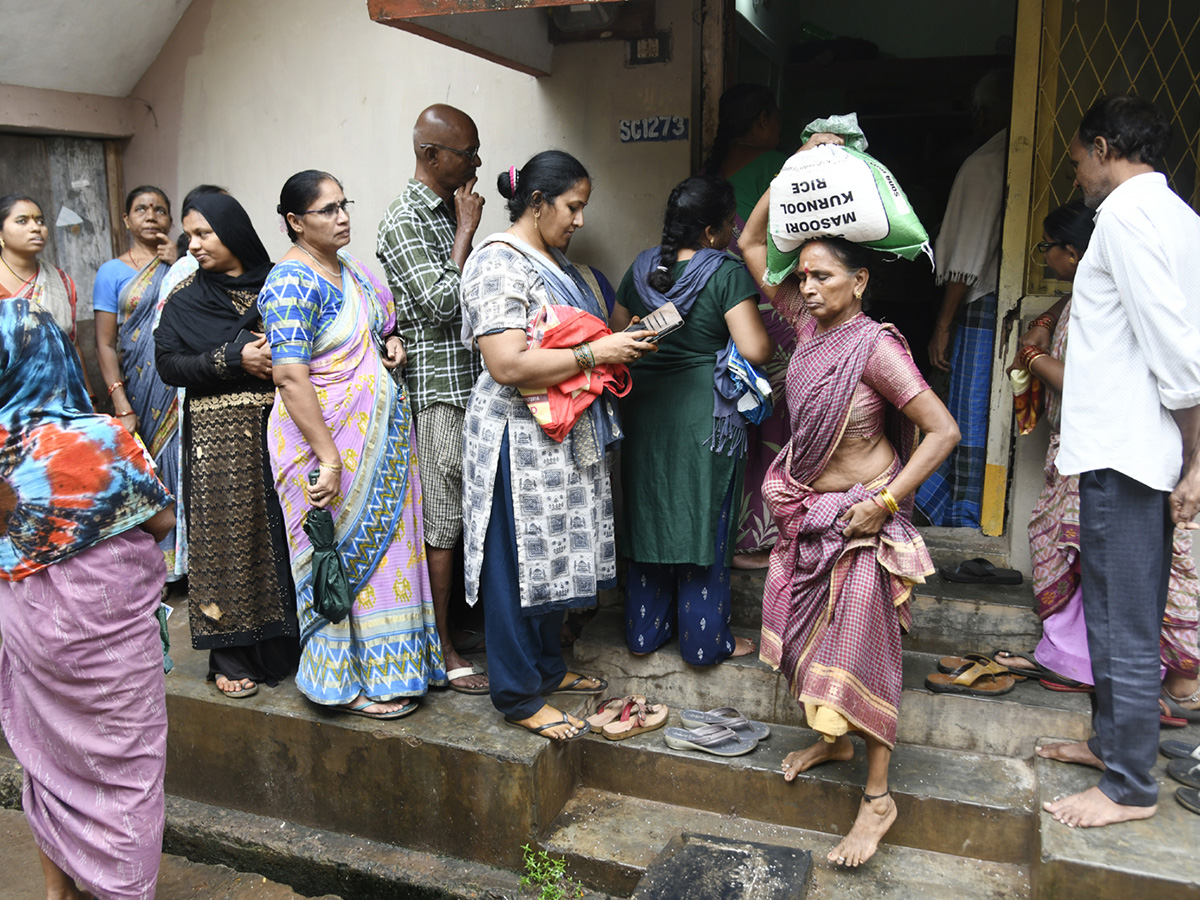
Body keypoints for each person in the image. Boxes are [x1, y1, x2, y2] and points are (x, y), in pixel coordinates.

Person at [740, 141, 960, 867]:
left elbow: (942, 431)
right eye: (801, 276)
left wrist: (888, 499)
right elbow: (749, 241)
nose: (806, 288)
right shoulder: (805, 333)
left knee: (861, 654)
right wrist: (789, 176)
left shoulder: (874, 348)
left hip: (864, 522)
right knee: (811, 651)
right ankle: (831, 741)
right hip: (810, 519)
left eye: (823, 276)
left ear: (859, 280)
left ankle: (878, 799)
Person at [1038, 95, 1200, 829]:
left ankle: (1130, 787)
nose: (1078, 176)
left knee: (1122, 624)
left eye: (1077, 160)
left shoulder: (1129, 218)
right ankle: (1112, 746)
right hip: (1132, 448)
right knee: (1110, 617)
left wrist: (1197, 455)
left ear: (1103, 147)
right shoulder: (1176, 217)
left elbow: (1176, 352)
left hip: (1132, 455)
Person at [460, 150, 650, 740]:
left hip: (556, 435)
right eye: (573, 206)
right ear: (537, 204)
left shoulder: (552, 258)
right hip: (516, 440)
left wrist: (618, 345)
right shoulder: (498, 263)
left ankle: (545, 668)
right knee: (515, 565)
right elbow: (507, 360)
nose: (580, 220)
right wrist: (600, 353)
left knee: (551, 558)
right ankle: (517, 695)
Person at [0, 264, 176, 900]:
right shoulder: (99, 438)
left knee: (47, 757)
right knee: (124, 770)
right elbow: (160, 521)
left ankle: (59, 894)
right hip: (106, 633)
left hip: (28, 629)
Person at [259, 169, 446, 719]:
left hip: (378, 443)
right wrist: (328, 456)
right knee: (336, 561)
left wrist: (391, 347)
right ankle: (344, 683)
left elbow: (382, 329)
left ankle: (394, 670)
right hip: (320, 447)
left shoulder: (355, 273)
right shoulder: (292, 282)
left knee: (390, 556)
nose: (343, 217)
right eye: (327, 209)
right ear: (295, 221)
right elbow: (290, 376)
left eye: (345, 204)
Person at [1001, 201, 1199, 709]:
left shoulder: (1114, 299)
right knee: (1081, 555)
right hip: (1088, 450)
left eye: (1049, 248)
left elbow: (1086, 387)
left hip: (1106, 453)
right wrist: (1045, 319)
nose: (1045, 258)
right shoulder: (1086, 293)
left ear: (1073, 253)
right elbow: (1063, 310)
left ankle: (1146, 682)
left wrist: (1033, 358)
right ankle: (1078, 662)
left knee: (1107, 566)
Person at [612, 174, 771, 665]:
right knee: (705, 520)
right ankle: (705, 642)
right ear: (709, 232)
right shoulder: (726, 271)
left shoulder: (639, 269)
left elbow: (618, 339)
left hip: (644, 412)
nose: (729, 233)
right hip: (704, 417)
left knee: (649, 515)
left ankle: (645, 631)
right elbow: (755, 348)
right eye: (727, 224)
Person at [155, 191, 301, 700]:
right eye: (188, 235)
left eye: (203, 233)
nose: (192, 245)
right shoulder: (186, 300)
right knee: (227, 542)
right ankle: (231, 653)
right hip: (217, 442)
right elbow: (169, 364)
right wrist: (231, 358)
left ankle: (292, 644)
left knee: (286, 534)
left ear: (233, 231)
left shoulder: (278, 284)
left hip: (286, 426)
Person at [376, 104, 488, 695]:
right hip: (437, 393)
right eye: (467, 152)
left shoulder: (449, 209)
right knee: (443, 522)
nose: (476, 162)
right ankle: (440, 647)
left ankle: (462, 628)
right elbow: (446, 302)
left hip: (473, 385)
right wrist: (467, 232)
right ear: (430, 155)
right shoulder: (404, 219)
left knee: (474, 516)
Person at [704, 83, 794, 568]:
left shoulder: (710, 175)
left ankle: (727, 534)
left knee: (735, 418)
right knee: (776, 421)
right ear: (761, 120)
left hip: (720, 313)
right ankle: (758, 537)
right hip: (770, 316)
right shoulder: (776, 168)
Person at [917, 70, 1011, 527]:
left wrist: (942, 323)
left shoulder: (985, 164)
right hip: (995, 301)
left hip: (981, 303)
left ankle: (963, 514)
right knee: (973, 409)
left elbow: (965, 259)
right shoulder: (1008, 158)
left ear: (983, 113)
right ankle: (965, 508)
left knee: (967, 408)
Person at [94, 185, 183, 576]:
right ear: (127, 220)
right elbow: (105, 343)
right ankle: (158, 564)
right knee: (150, 469)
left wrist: (179, 263)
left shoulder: (183, 262)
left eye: (160, 210)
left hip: (180, 383)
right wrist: (120, 402)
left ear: (170, 220)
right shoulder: (111, 272)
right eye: (142, 209)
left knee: (183, 461)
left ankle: (188, 559)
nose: (151, 216)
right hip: (138, 389)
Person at [0, 195, 92, 391]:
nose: (36, 228)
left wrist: (89, 400)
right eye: (22, 221)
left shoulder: (60, 281)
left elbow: (71, 346)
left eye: (40, 221)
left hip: (57, 398)